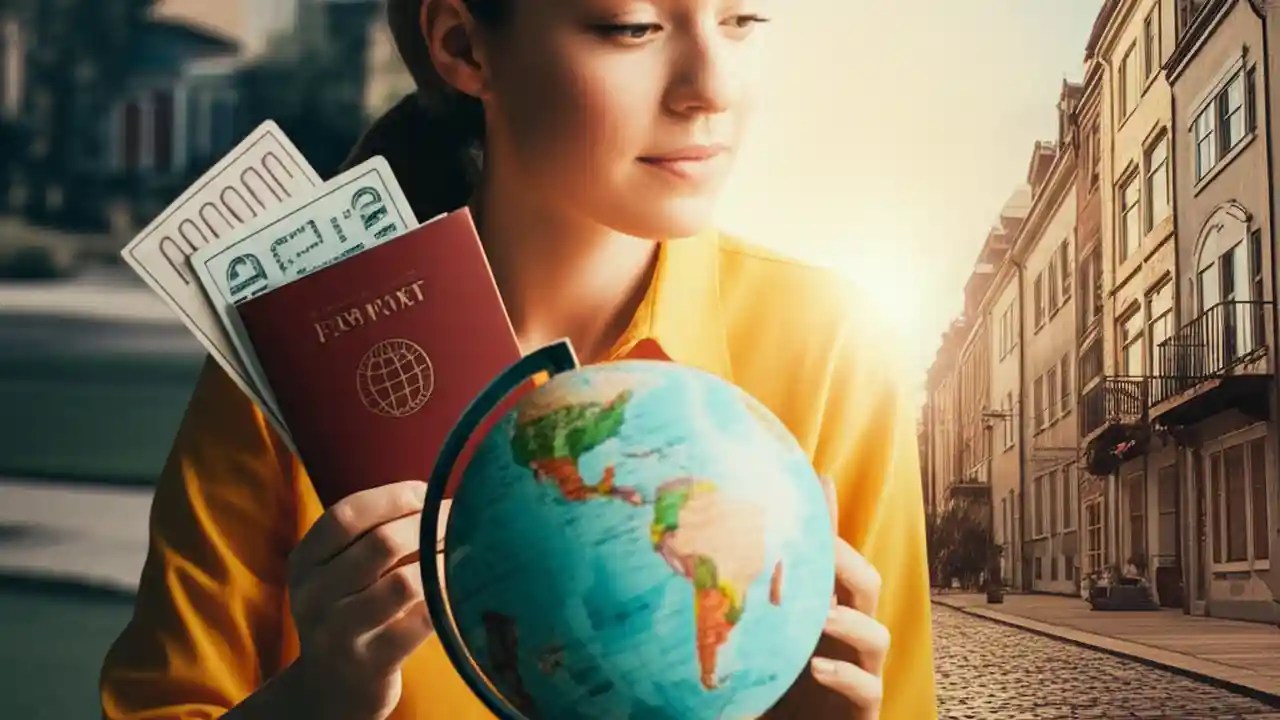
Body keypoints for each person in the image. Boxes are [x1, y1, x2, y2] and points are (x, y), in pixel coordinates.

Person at [99, 1, 937, 718]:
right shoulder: (295, 360)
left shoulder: (831, 347)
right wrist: (314, 699)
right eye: (630, 27)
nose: (712, 90)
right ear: (462, 46)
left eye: (742, 18)